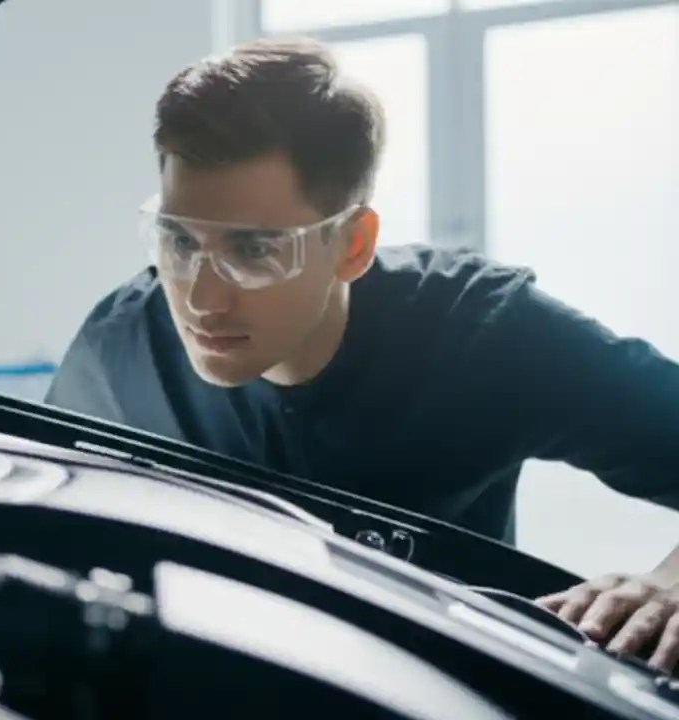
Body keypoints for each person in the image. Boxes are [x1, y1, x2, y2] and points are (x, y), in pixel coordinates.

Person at [43, 36, 679, 673]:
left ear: (352, 244)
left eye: (255, 250)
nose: (201, 299)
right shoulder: (118, 347)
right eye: (179, 241)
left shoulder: (482, 332)